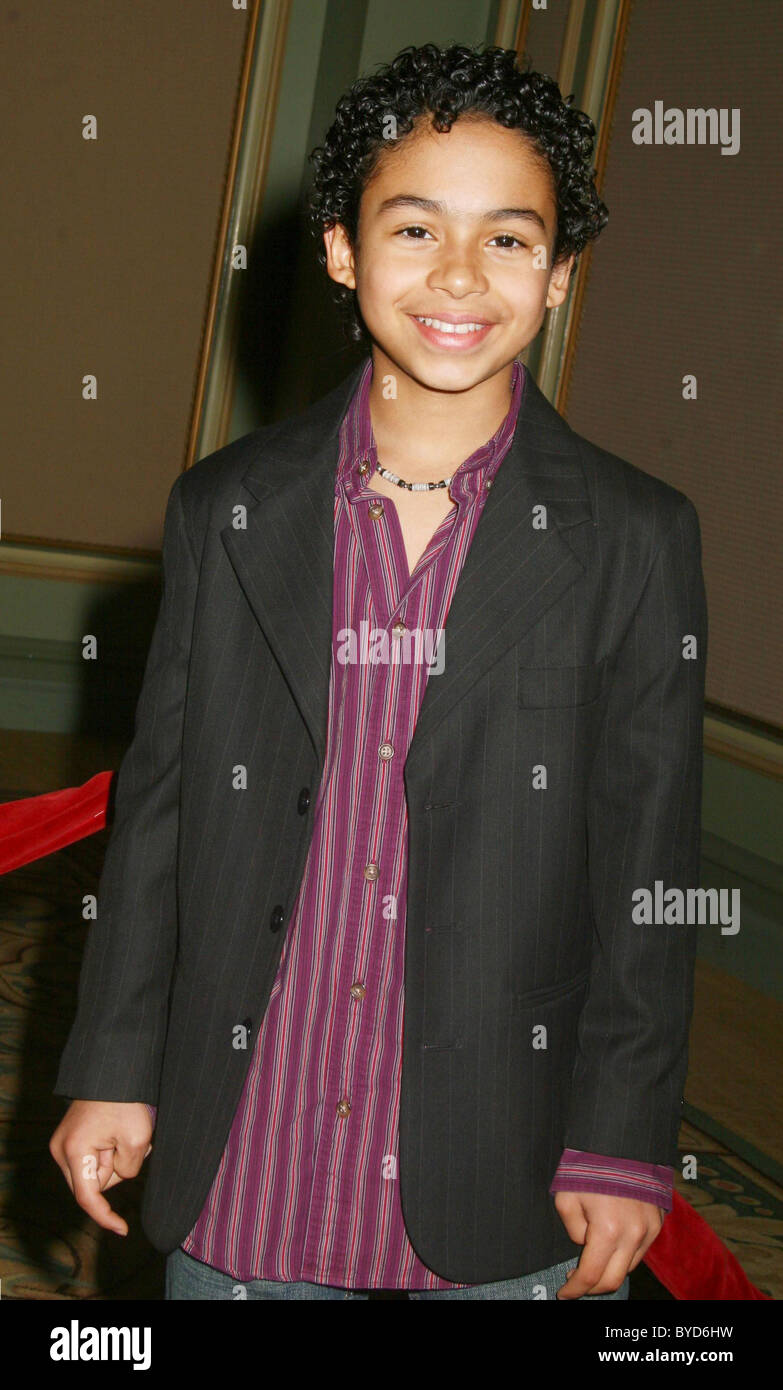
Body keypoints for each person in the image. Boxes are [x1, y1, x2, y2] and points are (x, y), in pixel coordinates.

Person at [49, 43, 707, 1301]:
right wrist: (117, 1059)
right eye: (414, 227)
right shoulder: (229, 508)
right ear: (344, 252)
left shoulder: (635, 536)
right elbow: (161, 811)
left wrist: (622, 1133)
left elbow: (649, 868)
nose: (459, 275)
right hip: (253, 1134)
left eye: (511, 240)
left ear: (561, 274)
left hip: (502, 1160)